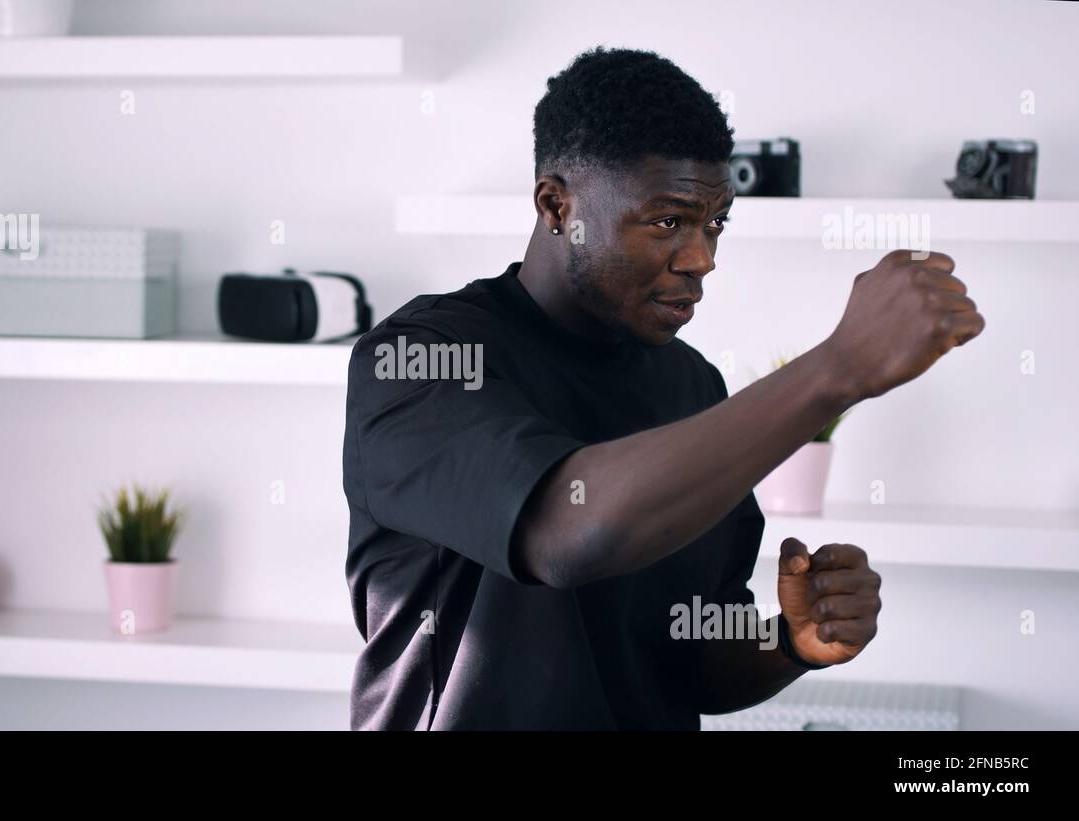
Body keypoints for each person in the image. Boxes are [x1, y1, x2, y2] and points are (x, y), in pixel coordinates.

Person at [341, 46, 985, 730]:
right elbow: (567, 532)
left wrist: (790, 643)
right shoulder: (418, 360)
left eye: (714, 223)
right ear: (557, 205)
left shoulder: (692, 385)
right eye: (669, 221)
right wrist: (838, 368)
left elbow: (692, 661)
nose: (703, 257)